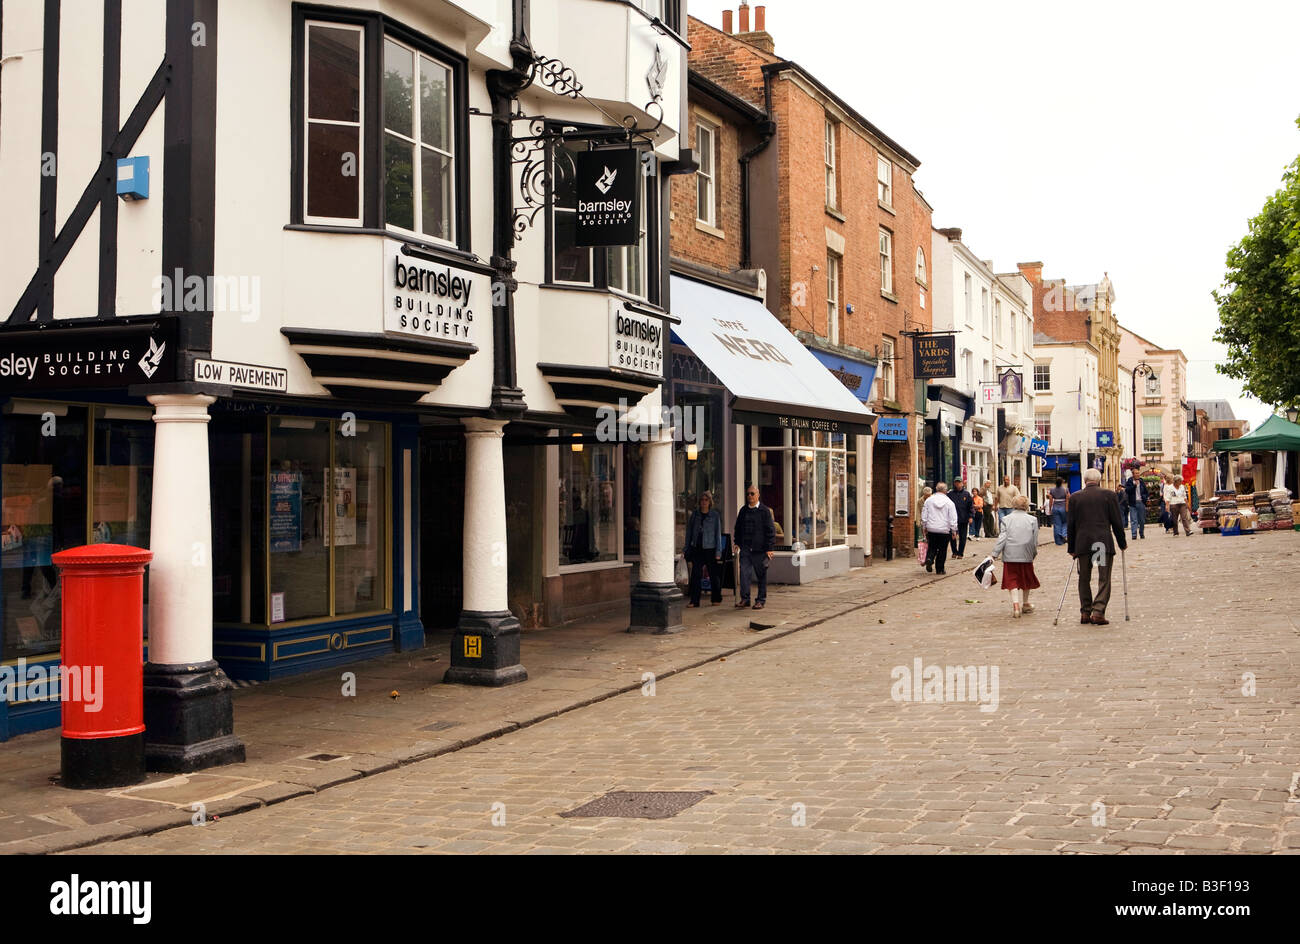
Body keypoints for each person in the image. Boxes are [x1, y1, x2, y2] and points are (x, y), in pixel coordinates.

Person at [1067, 467, 1128, 625]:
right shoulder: (1108, 495)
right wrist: (1122, 542)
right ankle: (1098, 611)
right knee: (1103, 577)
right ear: (1099, 480)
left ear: (1085, 481)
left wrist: (1071, 548)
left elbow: (1071, 525)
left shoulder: (1075, 497)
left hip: (1084, 543)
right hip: (1100, 543)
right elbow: (1116, 521)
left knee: (1084, 578)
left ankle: (1085, 612)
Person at [991, 495, 1041, 617]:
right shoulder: (1032, 520)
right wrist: (1033, 553)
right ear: (1026, 505)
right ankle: (1026, 603)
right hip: (1026, 553)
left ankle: (1016, 605)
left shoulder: (1006, 519)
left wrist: (994, 554)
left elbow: (1002, 538)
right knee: (1026, 578)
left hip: (1010, 554)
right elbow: (1035, 541)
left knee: (1011, 579)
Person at [733, 485, 775, 610]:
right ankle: (745, 599)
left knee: (761, 575)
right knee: (744, 574)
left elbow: (770, 530)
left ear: (758, 495)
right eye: (748, 494)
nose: (750, 496)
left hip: (760, 549)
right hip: (746, 548)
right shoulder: (743, 511)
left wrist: (769, 548)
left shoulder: (764, 511)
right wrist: (737, 542)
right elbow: (738, 528)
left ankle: (760, 600)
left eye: (752, 494)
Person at [683, 491, 723, 607]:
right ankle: (694, 601)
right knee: (696, 574)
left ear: (710, 502)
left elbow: (717, 534)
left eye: (706, 500)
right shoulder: (695, 515)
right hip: (697, 548)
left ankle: (716, 598)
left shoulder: (714, 515)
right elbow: (689, 532)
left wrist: (718, 551)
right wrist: (686, 548)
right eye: (702, 500)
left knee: (713, 574)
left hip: (710, 548)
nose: (704, 502)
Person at [921, 482, 959, 575]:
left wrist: (924, 526)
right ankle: (940, 569)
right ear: (945, 491)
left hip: (932, 528)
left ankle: (929, 558)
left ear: (936, 489)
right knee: (942, 549)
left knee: (932, 546)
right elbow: (953, 518)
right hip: (944, 530)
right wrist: (954, 530)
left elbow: (924, 515)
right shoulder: (949, 502)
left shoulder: (929, 501)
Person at [950, 479, 973, 559]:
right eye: (956, 482)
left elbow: (970, 506)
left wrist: (970, 516)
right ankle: (954, 552)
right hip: (953, 519)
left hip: (963, 518)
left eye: (959, 482)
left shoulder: (966, 494)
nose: (957, 484)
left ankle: (960, 553)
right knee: (952, 536)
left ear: (962, 483)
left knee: (963, 537)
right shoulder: (950, 494)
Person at [1046, 476, 1070, 546]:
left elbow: (1051, 501)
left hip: (1055, 508)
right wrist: (1067, 508)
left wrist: (1050, 509)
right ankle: (1063, 534)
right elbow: (1068, 498)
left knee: (1057, 525)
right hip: (1063, 507)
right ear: (1062, 482)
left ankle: (1058, 541)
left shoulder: (1052, 490)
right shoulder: (1066, 490)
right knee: (1065, 522)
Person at [1124, 472, 1148, 539]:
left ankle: (1141, 533)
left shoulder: (1141, 481)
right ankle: (1134, 534)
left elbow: (1146, 491)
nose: (1138, 474)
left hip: (1141, 502)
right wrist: (1134, 485)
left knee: (1142, 520)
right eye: (1136, 473)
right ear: (1133, 474)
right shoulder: (1129, 481)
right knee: (1133, 520)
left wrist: (1145, 498)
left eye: (1138, 473)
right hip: (1133, 503)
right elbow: (1127, 490)